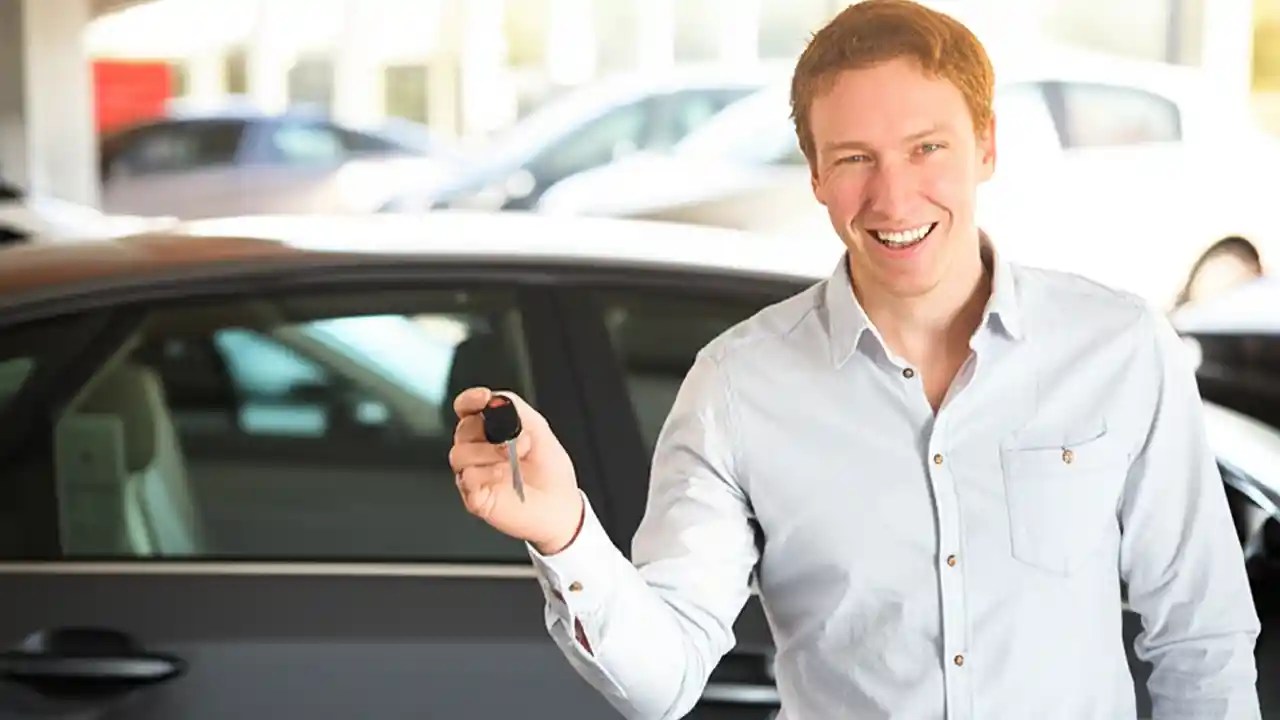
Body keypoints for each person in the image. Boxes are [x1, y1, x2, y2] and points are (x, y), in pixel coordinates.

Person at [447, 1, 1262, 717]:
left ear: (985, 146)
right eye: (854, 158)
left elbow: (1202, 637)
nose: (894, 197)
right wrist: (565, 533)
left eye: (926, 147)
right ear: (815, 175)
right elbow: (662, 683)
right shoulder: (737, 387)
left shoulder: (1118, 348)